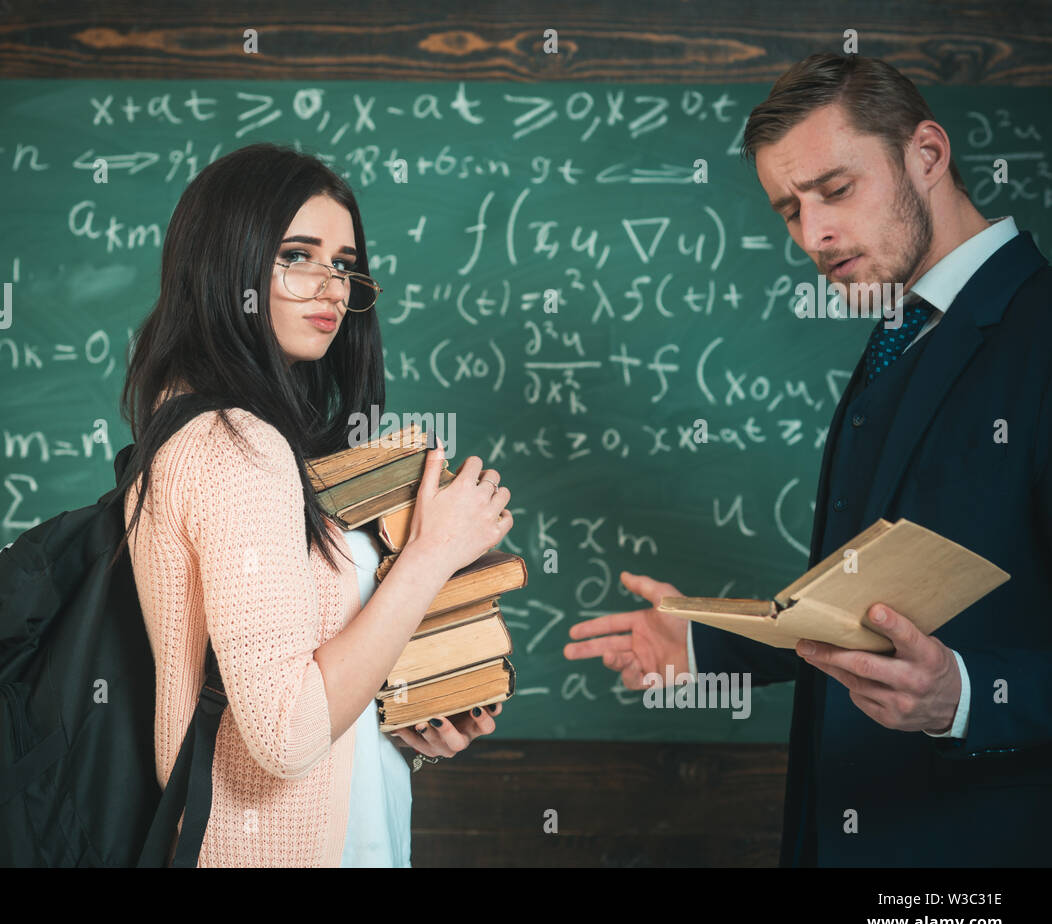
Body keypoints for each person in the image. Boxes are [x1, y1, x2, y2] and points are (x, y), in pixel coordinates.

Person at [564, 53, 1052, 865]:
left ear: (927, 154)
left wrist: (967, 695)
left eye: (835, 189)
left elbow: (952, 665)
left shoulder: (1037, 330)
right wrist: (705, 643)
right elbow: (872, 610)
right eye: (790, 209)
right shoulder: (902, 333)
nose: (814, 235)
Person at [118, 143, 513, 866]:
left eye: (342, 263)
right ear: (226, 261)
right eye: (297, 255)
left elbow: (302, 694)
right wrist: (432, 554)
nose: (331, 286)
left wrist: (412, 723)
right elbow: (286, 733)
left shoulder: (237, 439)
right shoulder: (236, 446)